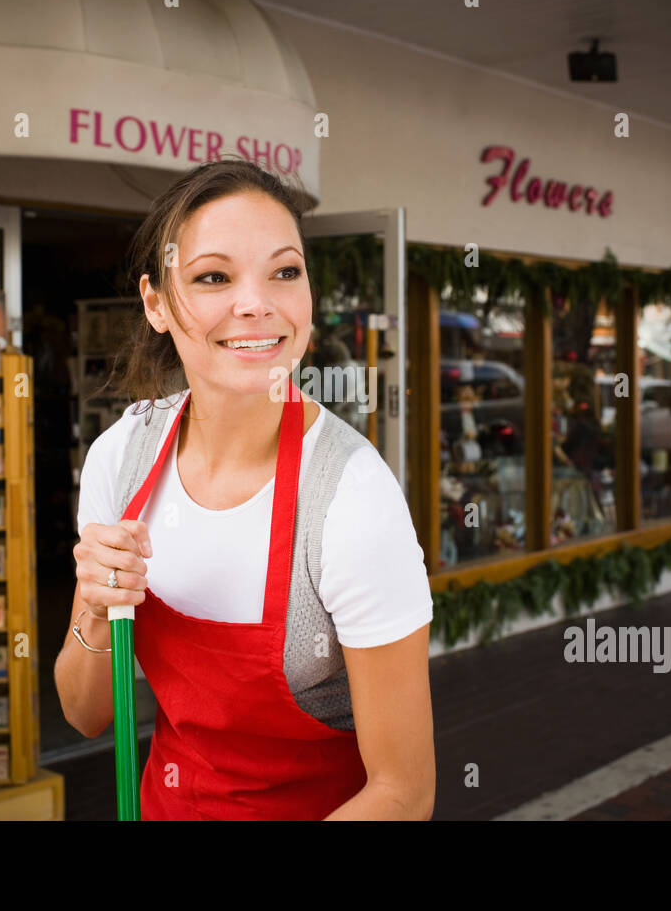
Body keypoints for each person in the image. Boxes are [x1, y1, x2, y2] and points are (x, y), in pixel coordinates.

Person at [54, 158, 436, 820]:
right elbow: (86, 714)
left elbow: (403, 795)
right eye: (213, 277)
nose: (256, 303)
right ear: (155, 304)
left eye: (284, 271)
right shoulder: (123, 456)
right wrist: (94, 604)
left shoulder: (351, 497)